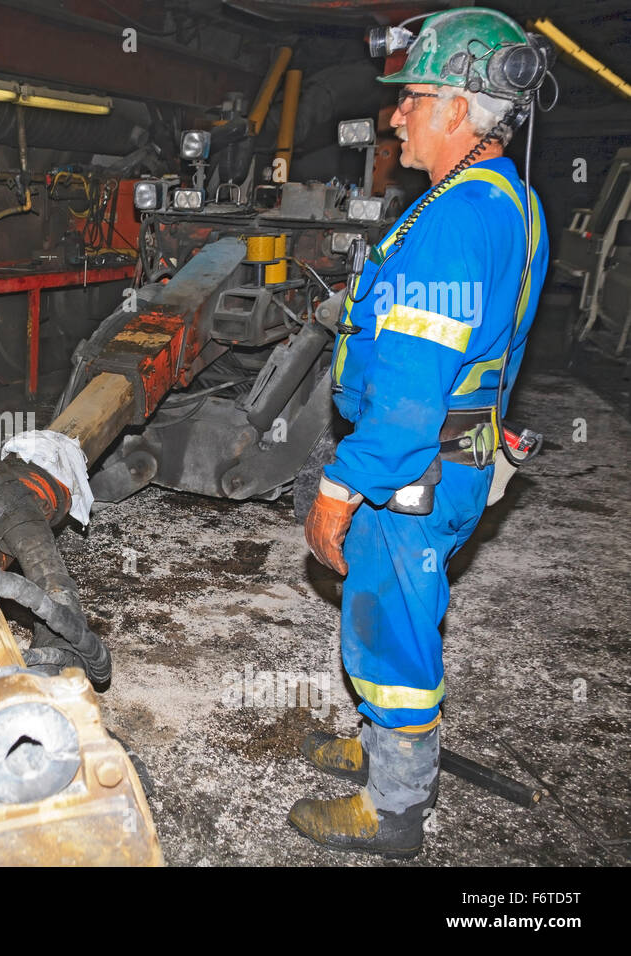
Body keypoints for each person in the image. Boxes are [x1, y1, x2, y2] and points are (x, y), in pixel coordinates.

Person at [293, 8, 549, 856]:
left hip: (418, 462)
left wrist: (340, 486)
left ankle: (394, 808)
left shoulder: (457, 218)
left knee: (392, 626)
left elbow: (409, 395)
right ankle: (380, 749)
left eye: (413, 97)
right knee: (394, 610)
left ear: (457, 108)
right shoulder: (493, 197)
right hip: (450, 451)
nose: (395, 114)